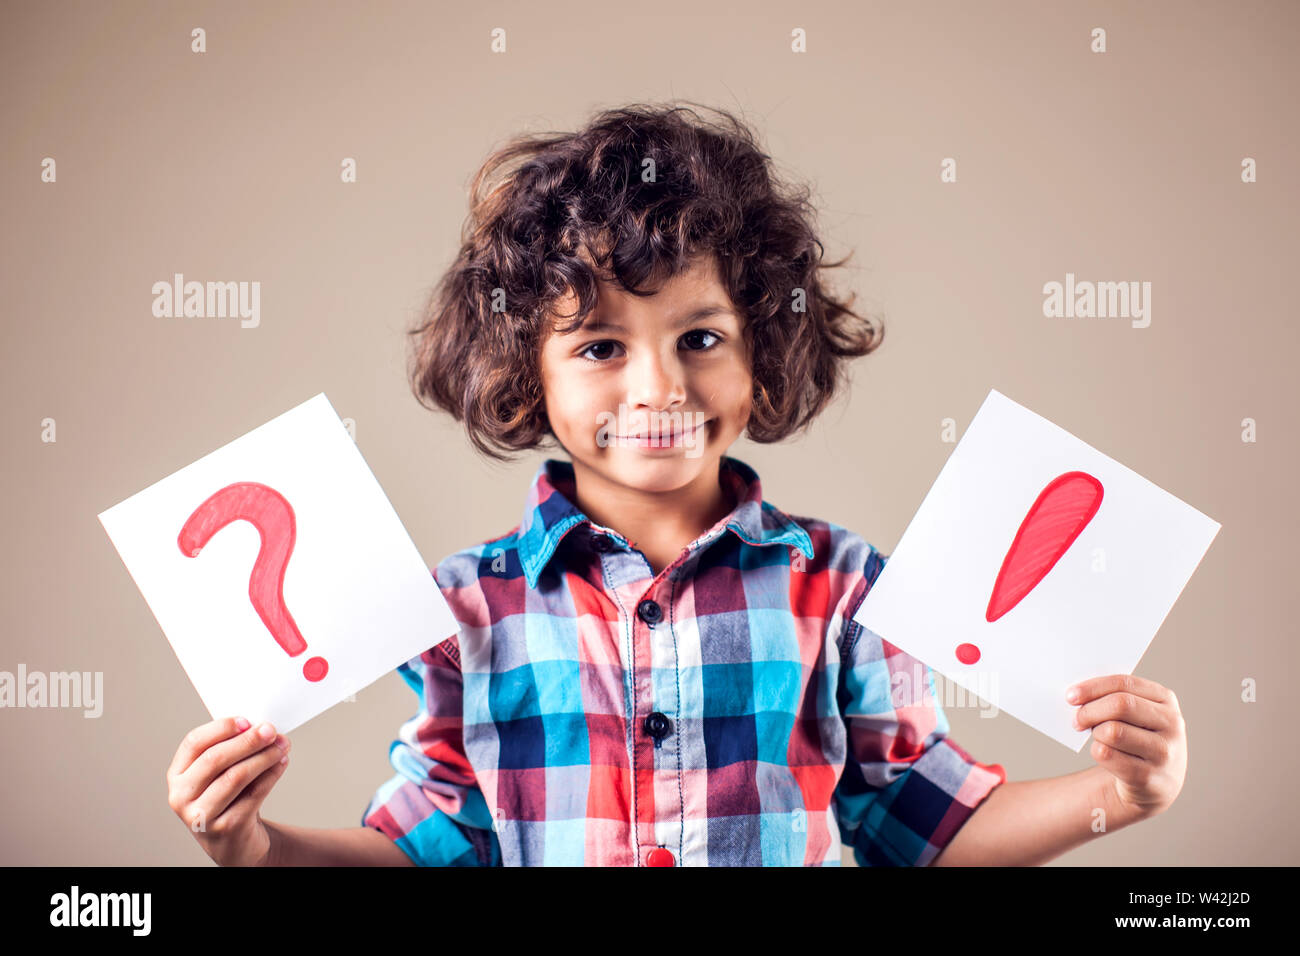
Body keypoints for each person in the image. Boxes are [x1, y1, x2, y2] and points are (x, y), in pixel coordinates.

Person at [165, 102, 1187, 866]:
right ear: (529, 372)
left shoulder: (842, 587)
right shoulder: (465, 611)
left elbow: (924, 829)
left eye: (699, 336)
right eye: (601, 344)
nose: (658, 383)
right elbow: (435, 849)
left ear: (763, 352)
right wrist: (250, 844)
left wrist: (1122, 790)